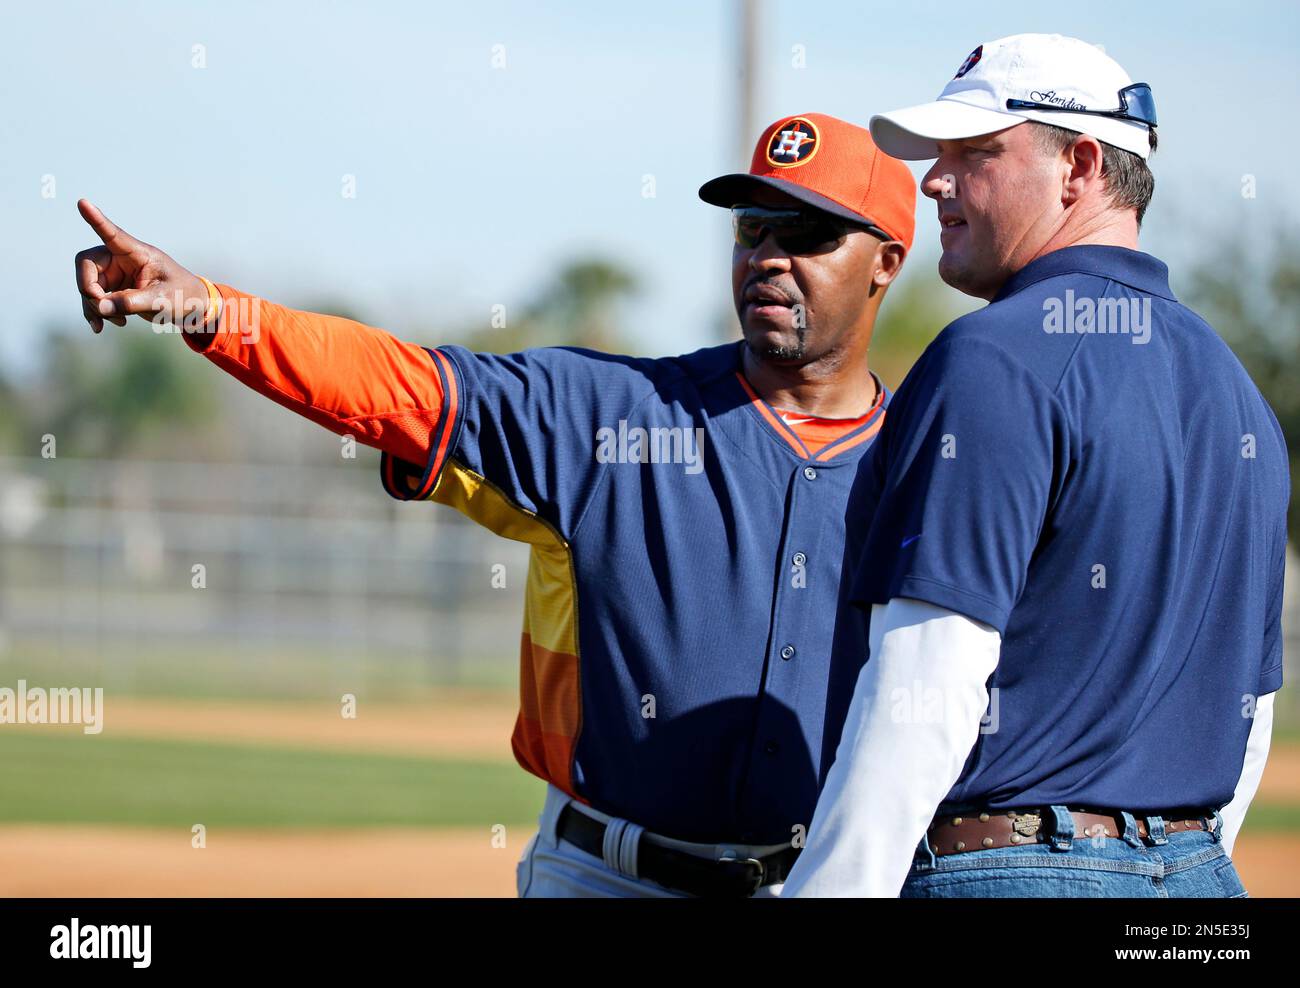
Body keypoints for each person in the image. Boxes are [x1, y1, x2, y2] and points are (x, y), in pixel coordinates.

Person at [73, 113, 916, 897]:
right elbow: (395, 384)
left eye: (805, 231)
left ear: (886, 262)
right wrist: (210, 309)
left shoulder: (930, 463)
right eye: (751, 228)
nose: (767, 255)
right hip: (602, 875)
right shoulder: (612, 415)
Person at [783, 34, 1288, 898]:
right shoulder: (1237, 390)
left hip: (1012, 871)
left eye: (974, 153)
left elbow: (926, 688)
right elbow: (1250, 717)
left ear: (1081, 164)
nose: (934, 181)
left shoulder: (993, 355)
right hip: (1201, 883)